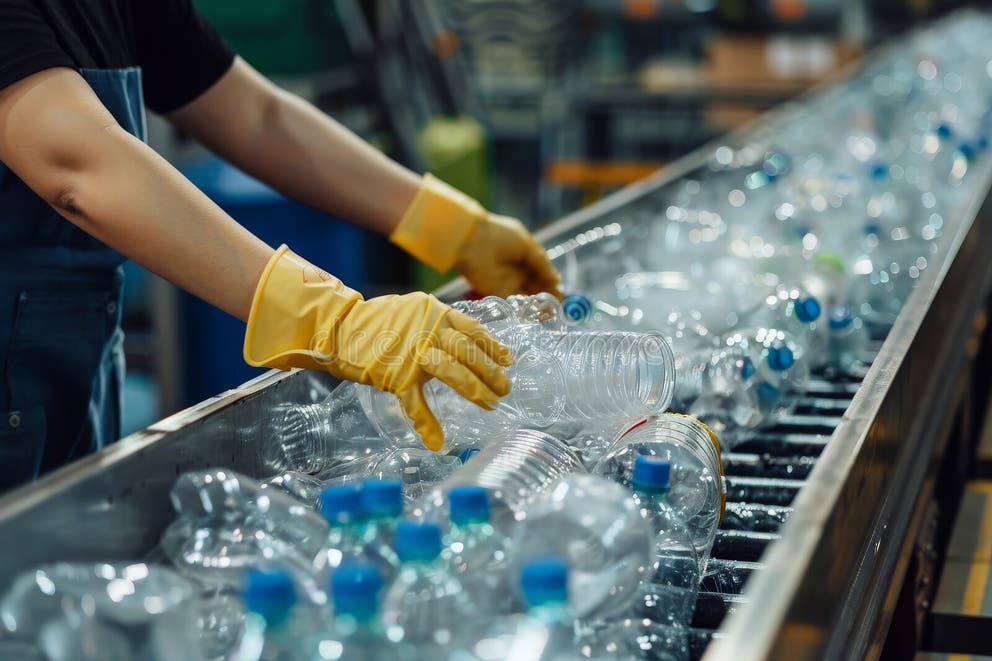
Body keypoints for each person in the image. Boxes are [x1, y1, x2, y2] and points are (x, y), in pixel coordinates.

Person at [0, 0, 562, 492]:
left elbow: (254, 116)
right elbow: (75, 163)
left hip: (63, 369)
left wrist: (448, 225)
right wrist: (331, 319)